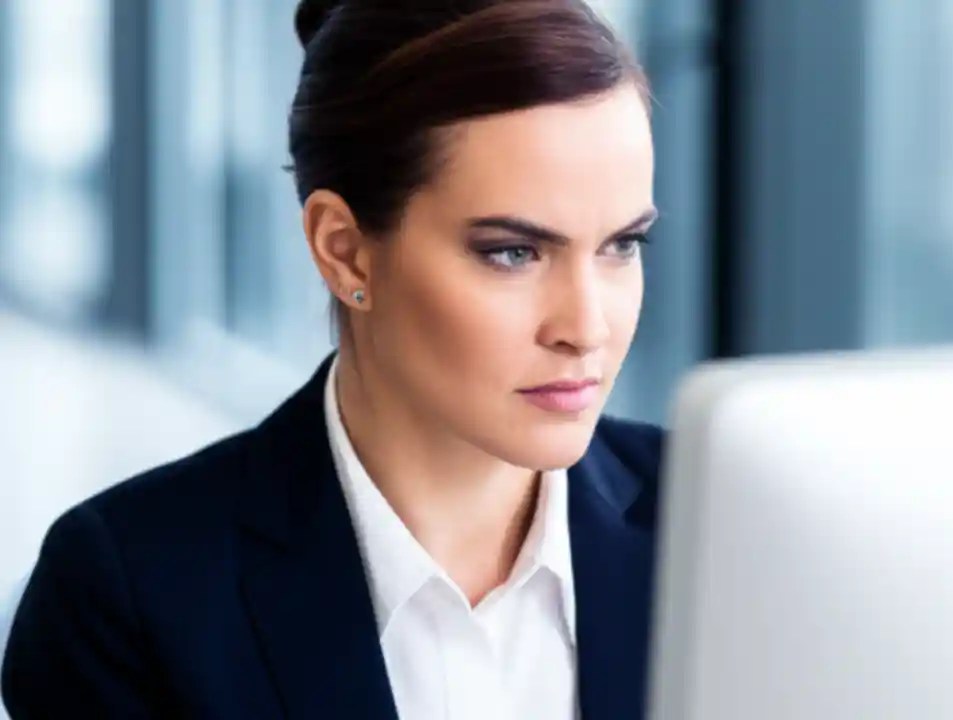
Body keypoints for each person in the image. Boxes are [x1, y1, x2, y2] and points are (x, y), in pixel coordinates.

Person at [1, 1, 664, 717]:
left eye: (621, 246)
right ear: (343, 248)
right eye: (512, 253)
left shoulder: (726, 523)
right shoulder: (129, 596)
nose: (587, 327)